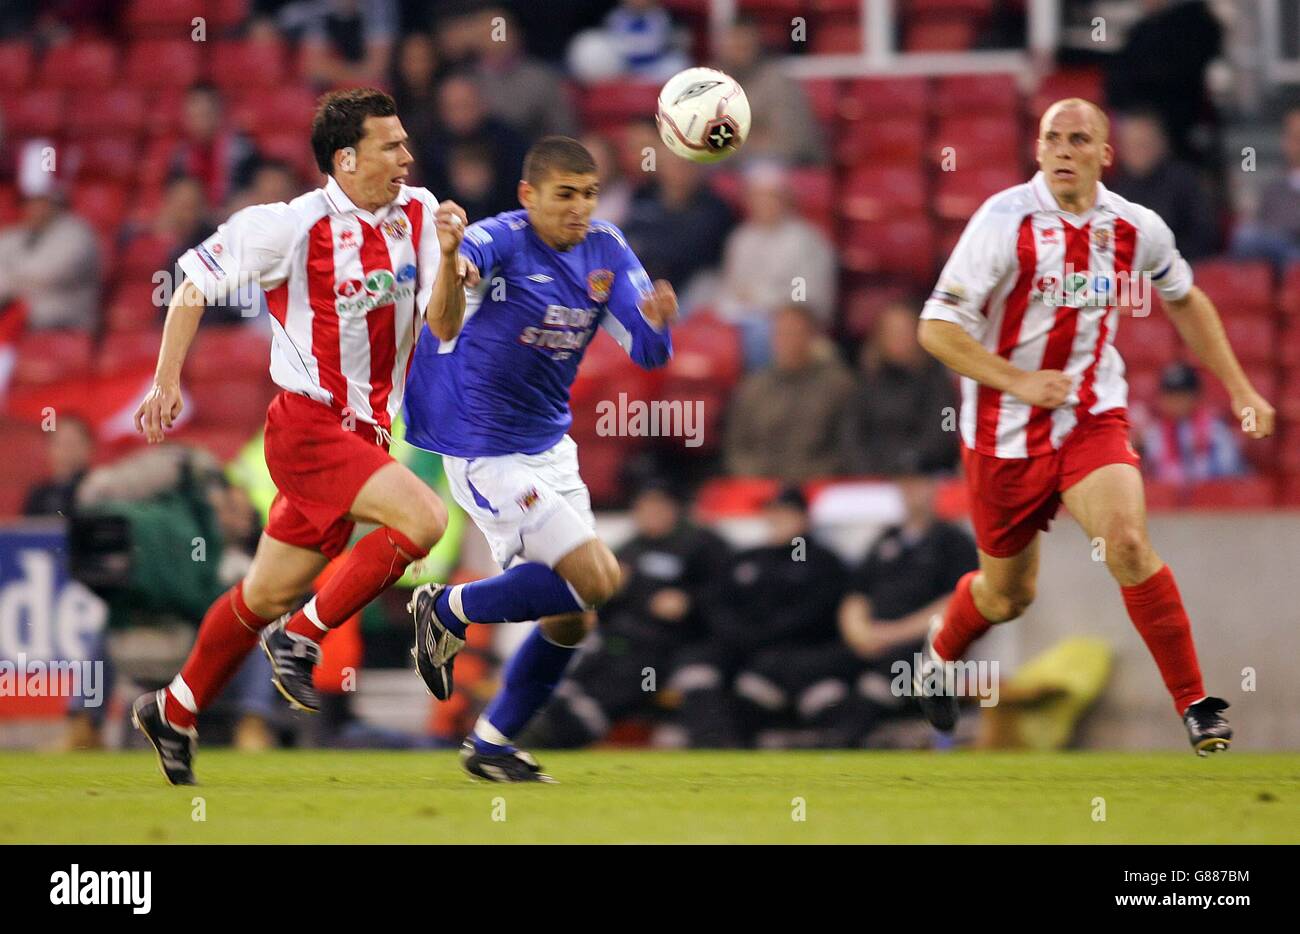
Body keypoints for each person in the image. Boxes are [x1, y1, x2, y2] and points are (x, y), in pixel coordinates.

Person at [129, 88, 472, 785]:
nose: (408, 154)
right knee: (425, 519)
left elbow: (443, 326)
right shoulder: (288, 225)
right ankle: (305, 639)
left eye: (406, 142)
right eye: (391, 144)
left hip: (366, 439)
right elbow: (192, 280)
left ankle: (175, 707)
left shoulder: (417, 213)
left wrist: (449, 253)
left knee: (262, 596)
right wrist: (165, 382)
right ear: (347, 159)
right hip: (308, 427)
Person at [915, 98, 1274, 754]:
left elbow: (1185, 299)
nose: (1061, 150)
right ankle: (938, 657)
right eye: (1051, 137)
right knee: (1007, 595)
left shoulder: (1135, 228)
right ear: (1038, 148)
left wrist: (1241, 386)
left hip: (1089, 416)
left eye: (1077, 139)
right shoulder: (1003, 222)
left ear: (1103, 155)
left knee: (1128, 544)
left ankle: (1196, 704)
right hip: (1002, 432)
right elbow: (934, 328)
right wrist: (1019, 380)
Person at [402, 135, 679, 782]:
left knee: (572, 618)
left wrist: (659, 324)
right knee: (600, 577)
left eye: (589, 193)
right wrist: (451, 260)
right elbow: (442, 324)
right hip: (483, 446)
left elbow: (649, 355)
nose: (580, 207)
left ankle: (492, 743)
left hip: (550, 446)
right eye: (565, 195)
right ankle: (443, 609)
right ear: (530, 196)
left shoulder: (605, 248)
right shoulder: (498, 240)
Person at [529, 482, 731, 747]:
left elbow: (727, 596)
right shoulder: (627, 550)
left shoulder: (703, 544)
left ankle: (557, 734)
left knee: (627, 682)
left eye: (658, 505)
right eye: (644, 506)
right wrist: (606, 595)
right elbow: (601, 607)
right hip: (621, 644)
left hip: (672, 647)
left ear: (675, 507)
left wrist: (690, 603)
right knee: (570, 675)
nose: (651, 513)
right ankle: (537, 730)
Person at [672, 486, 848, 747]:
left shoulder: (822, 562)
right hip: (739, 647)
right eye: (772, 512)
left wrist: (760, 637)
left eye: (785, 512)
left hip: (792, 654)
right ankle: (710, 745)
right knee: (696, 667)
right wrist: (737, 634)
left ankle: (737, 744)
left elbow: (816, 613)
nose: (776, 519)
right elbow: (716, 602)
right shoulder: (746, 559)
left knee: (759, 684)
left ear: (804, 518)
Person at [723, 305, 854, 481]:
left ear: (812, 337)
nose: (788, 341)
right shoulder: (753, 387)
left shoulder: (838, 386)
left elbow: (846, 447)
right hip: (759, 485)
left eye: (796, 333)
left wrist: (805, 481)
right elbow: (735, 446)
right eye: (782, 333)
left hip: (816, 484)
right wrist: (756, 478)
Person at [841, 302, 960, 476]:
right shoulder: (866, 383)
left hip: (924, 476)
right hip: (871, 478)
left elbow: (945, 433)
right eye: (892, 332)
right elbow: (851, 434)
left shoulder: (938, 383)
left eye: (904, 332)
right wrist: (868, 470)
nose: (899, 338)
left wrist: (908, 461)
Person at [716, 162, 837, 333]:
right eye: (757, 197)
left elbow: (801, 295)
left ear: (786, 199)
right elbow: (731, 286)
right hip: (740, 317)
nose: (763, 203)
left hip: (786, 322)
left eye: (771, 196)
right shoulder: (741, 239)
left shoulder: (804, 241)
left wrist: (764, 298)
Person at [713, 16, 826, 166]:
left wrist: (733, 140)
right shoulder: (713, 82)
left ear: (756, 47)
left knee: (764, 170)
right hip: (728, 160)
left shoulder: (778, 82)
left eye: (743, 47)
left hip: (784, 162)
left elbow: (789, 141)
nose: (737, 54)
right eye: (733, 47)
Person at [1106, 111, 1218, 261]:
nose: (1137, 153)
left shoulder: (1184, 182)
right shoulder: (1114, 189)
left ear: (1161, 144)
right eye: (1131, 145)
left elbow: (1204, 235)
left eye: (1143, 145)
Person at [1137, 361, 1247, 484]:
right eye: (1170, 395)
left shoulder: (1216, 430)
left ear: (1196, 396)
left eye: (1182, 395)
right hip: (1165, 499)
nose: (1176, 401)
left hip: (1212, 497)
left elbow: (1229, 471)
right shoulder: (1151, 435)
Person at [1230, 105, 1300, 267]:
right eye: (1294, 138)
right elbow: (1261, 224)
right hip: (1279, 257)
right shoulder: (1274, 187)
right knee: (1245, 235)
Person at [23, 415, 93, 518]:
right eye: (60, 443)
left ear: (88, 447)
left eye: (72, 442)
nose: (66, 450)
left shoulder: (97, 489)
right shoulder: (39, 495)